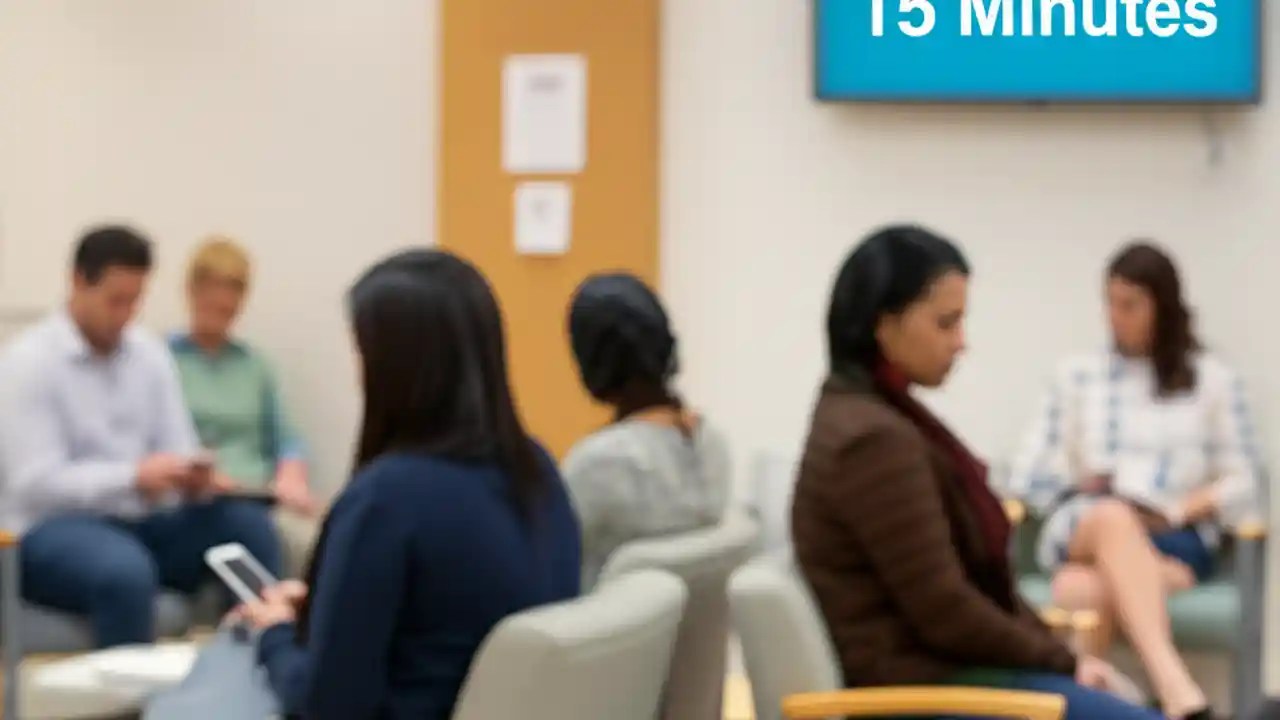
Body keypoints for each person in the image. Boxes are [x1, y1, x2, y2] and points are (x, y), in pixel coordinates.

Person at [791, 225, 1169, 720]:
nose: (961, 342)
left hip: (944, 677)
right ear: (884, 326)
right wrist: (1063, 660)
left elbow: (960, 600)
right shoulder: (872, 441)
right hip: (929, 694)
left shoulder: (870, 416)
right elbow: (946, 611)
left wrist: (1062, 657)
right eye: (946, 323)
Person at [235, 249, 581, 719]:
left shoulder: (386, 499)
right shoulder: (538, 470)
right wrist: (324, 608)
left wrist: (273, 633)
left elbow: (327, 706)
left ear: (392, 367)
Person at [1008, 241, 1261, 719]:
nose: (1114, 316)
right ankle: (1176, 691)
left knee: (1085, 591)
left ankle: (1097, 707)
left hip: (1172, 537)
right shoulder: (1076, 376)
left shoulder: (1211, 381)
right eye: (1109, 302)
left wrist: (1176, 510)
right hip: (1085, 523)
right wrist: (1080, 479)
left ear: (1162, 308)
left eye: (1129, 305)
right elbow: (1027, 475)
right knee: (1112, 516)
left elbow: (1243, 480)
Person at [0, 225, 282, 648]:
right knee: (125, 572)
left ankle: (254, 679)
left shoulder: (148, 354)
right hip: (48, 532)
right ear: (78, 282)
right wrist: (133, 477)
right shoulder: (29, 363)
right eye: (116, 300)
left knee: (249, 529)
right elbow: (34, 481)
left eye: (135, 301)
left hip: (143, 522)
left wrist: (194, 477)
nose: (126, 314)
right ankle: (131, 713)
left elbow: (178, 446)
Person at [562, 272, 731, 589]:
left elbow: (550, 569)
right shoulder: (713, 445)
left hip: (608, 635)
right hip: (690, 638)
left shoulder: (599, 465)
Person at [170, 236, 319, 577]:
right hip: (198, 501)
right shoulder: (161, 361)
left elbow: (287, 439)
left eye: (231, 301)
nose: (223, 307)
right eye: (213, 296)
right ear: (192, 291)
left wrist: (291, 478)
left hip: (257, 495)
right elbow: (155, 442)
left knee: (316, 541)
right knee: (250, 532)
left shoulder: (254, 365)